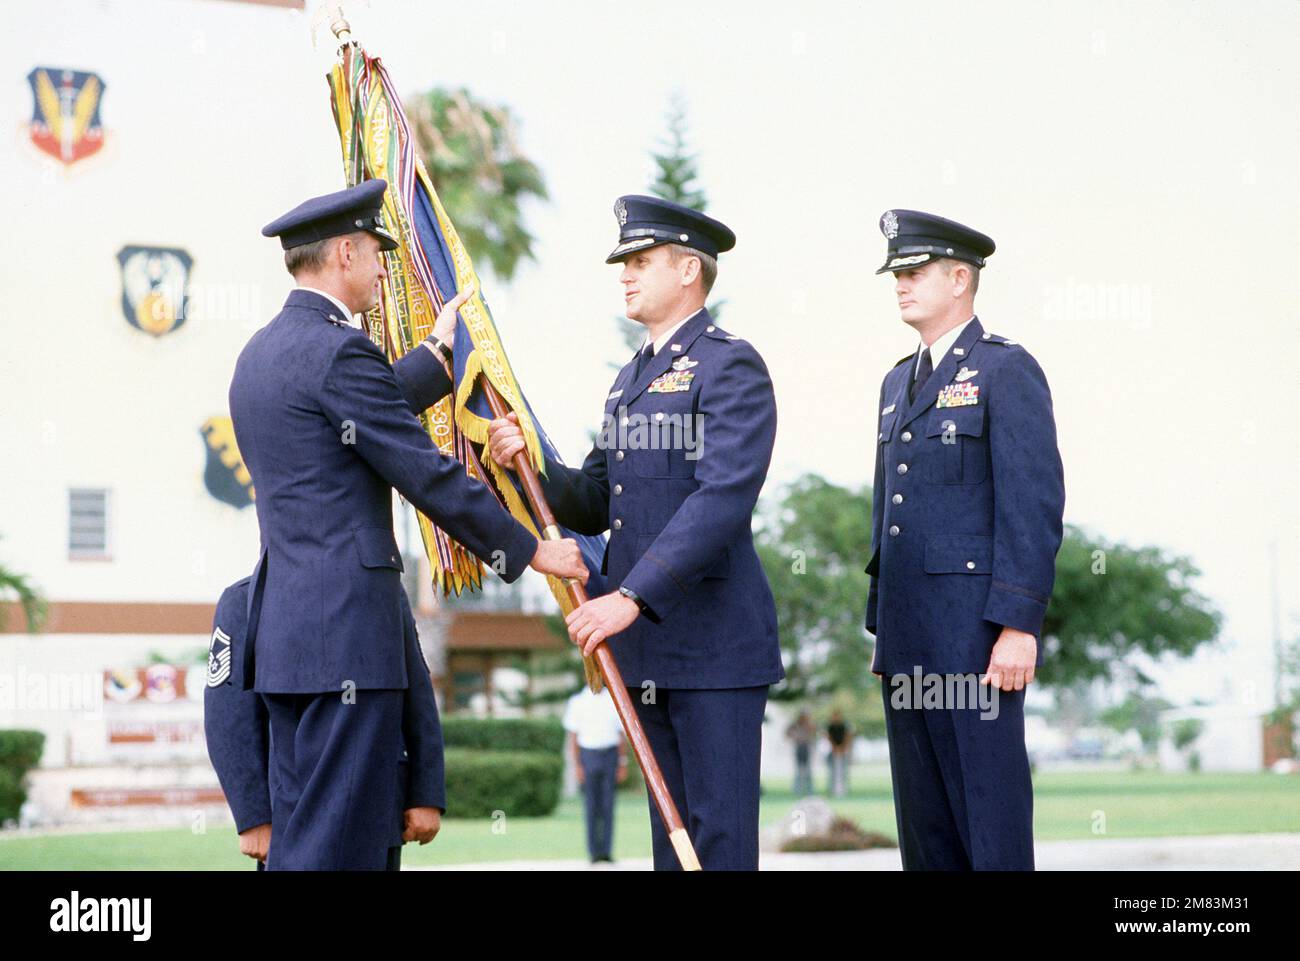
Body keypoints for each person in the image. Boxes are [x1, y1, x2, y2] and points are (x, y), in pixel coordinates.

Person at [228, 179, 587, 870]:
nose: (381, 269)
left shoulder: (260, 356)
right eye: (374, 255)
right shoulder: (339, 350)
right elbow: (422, 470)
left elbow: (352, 419)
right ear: (342, 252)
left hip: (287, 640)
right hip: (348, 642)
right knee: (344, 844)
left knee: (309, 833)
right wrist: (531, 550)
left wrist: (437, 358)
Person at [487, 195, 783, 870]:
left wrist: (630, 595)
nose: (625, 273)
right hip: (646, 650)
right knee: (670, 845)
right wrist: (528, 461)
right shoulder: (629, 380)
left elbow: (723, 496)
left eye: (641, 261)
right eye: (624, 262)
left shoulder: (728, 364)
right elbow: (596, 499)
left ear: (688, 270)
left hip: (713, 648)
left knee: (717, 841)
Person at [865, 209, 1065, 870]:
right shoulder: (897, 382)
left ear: (959, 278)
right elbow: (886, 512)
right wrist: (881, 626)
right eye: (897, 272)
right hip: (908, 635)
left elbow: (1031, 503)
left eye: (914, 271)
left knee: (990, 816)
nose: (901, 283)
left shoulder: (1005, 370)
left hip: (974, 637)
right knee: (924, 831)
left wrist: (1018, 622)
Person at [203, 575, 443, 871]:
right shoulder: (246, 599)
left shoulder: (382, 590)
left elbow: (417, 694)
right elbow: (229, 717)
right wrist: (253, 817)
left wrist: (425, 794)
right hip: (292, 815)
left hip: (376, 806)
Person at [561, 684, 627, 864]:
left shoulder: (613, 700)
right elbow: (573, 736)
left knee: (608, 805)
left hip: (610, 754)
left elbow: (621, 734)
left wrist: (622, 763)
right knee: (591, 806)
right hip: (588, 755)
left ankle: (606, 851)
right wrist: (577, 766)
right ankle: (593, 852)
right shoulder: (577, 701)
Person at [825, 710, 852, 797]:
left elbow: (848, 736)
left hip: (843, 751)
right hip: (834, 751)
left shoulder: (844, 726)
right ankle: (833, 790)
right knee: (833, 772)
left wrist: (843, 747)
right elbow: (829, 737)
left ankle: (843, 790)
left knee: (843, 771)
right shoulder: (831, 727)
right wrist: (835, 747)